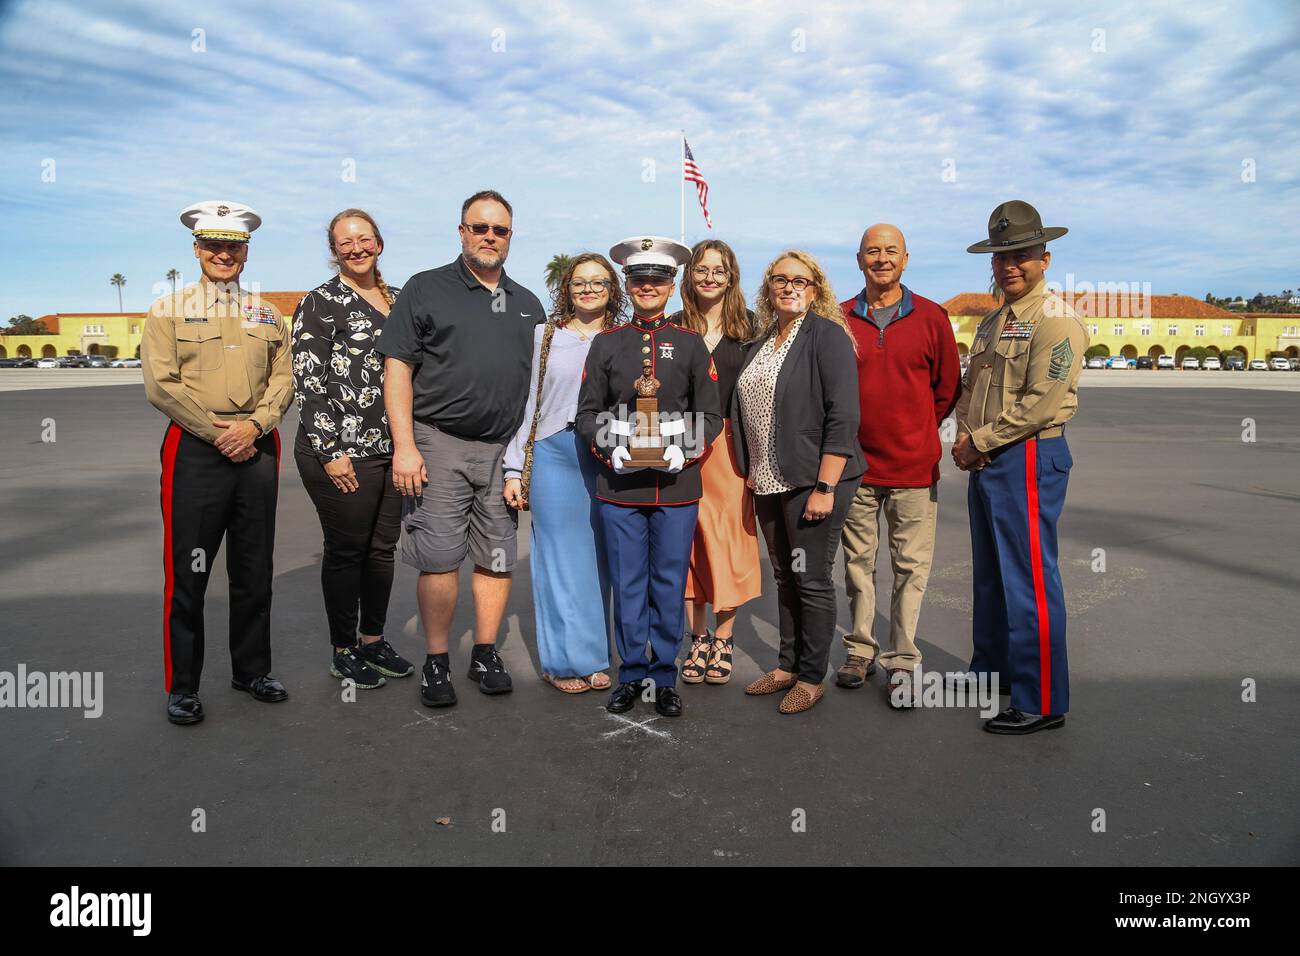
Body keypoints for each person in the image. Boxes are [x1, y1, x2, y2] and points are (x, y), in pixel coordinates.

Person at [378, 190, 546, 708]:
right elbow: (397, 369)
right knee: (440, 557)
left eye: (500, 230)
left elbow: (539, 387)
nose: (489, 237)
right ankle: (436, 661)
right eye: (480, 228)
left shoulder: (527, 304)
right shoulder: (426, 290)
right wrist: (404, 446)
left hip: (503, 450)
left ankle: (486, 652)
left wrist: (528, 460)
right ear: (462, 232)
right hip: (439, 442)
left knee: (498, 554)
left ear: (510, 237)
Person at [141, 200, 294, 725]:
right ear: (197, 249)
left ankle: (251, 670)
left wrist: (256, 425)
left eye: (234, 245)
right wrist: (219, 433)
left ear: (246, 253)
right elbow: (162, 384)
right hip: (195, 447)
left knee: (254, 568)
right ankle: (182, 685)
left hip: (257, 444)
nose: (224, 253)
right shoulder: (168, 310)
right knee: (188, 572)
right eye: (213, 244)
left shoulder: (267, 314)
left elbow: (283, 377)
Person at [953, 200, 1088, 734]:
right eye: (1001, 256)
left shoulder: (1056, 320)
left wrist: (978, 441)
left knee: (1030, 579)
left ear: (1045, 258)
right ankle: (994, 671)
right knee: (990, 575)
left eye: (1022, 255)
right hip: (988, 458)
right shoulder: (993, 322)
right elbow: (974, 388)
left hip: (1028, 455)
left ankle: (1042, 699)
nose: (1010, 265)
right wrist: (965, 437)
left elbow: (1042, 402)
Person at [575, 236, 722, 718]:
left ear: (671, 284)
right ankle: (632, 672)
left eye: (657, 279)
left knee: (667, 582)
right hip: (619, 487)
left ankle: (664, 676)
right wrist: (610, 449)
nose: (648, 287)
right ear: (628, 283)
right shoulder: (606, 344)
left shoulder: (691, 344)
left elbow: (712, 414)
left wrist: (685, 452)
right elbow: (588, 412)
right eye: (639, 279)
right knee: (628, 582)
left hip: (676, 488)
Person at [733, 251, 865, 714]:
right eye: (780, 279)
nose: (790, 287)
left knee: (810, 578)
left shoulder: (826, 336)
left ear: (816, 289)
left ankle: (811, 676)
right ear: (769, 287)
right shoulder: (763, 339)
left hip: (813, 479)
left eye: (801, 281)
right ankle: (787, 664)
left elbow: (844, 415)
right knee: (784, 577)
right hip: (767, 477)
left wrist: (826, 487)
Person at [836, 224, 961, 706]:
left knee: (911, 567)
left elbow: (947, 387)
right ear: (859, 259)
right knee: (858, 566)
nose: (881, 258)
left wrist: (917, 431)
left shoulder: (932, 317)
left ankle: (903, 659)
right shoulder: (840, 317)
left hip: (914, 468)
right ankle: (860, 649)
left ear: (905, 259)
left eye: (891, 251)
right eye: (872, 251)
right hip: (857, 467)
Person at [292, 208, 414, 691]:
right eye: (346, 242)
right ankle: (343, 650)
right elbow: (308, 379)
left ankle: (373, 640)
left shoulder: (400, 299)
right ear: (334, 251)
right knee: (347, 550)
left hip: (393, 448)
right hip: (342, 451)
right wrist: (330, 449)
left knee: (382, 550)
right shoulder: (320, 303)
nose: (357, 248)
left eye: (365, 239)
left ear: (379, 243)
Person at [502, 254, 624, 694]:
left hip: (609, 454)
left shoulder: (625, 338)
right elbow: (530, 404)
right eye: (579, 283)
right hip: (555, 451)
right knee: (556, 558)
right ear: (566, 289)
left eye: (598, 282)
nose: (588, 290)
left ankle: (593, 657)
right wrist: (514, 468)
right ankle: (560, 662)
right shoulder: (545, 336)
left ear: (612, 288)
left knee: (598, 558)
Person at [670, 240, 762, 686]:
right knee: (689, 543)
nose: (709, 277)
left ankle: (724, 638)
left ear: (731, 277)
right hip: (682, 446)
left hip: (731, 449)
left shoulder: (750, 329)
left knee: (728, 542)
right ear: (690, 277)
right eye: (702, 270)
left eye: (719, 271)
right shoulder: (672, 327)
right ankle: (698, 638)